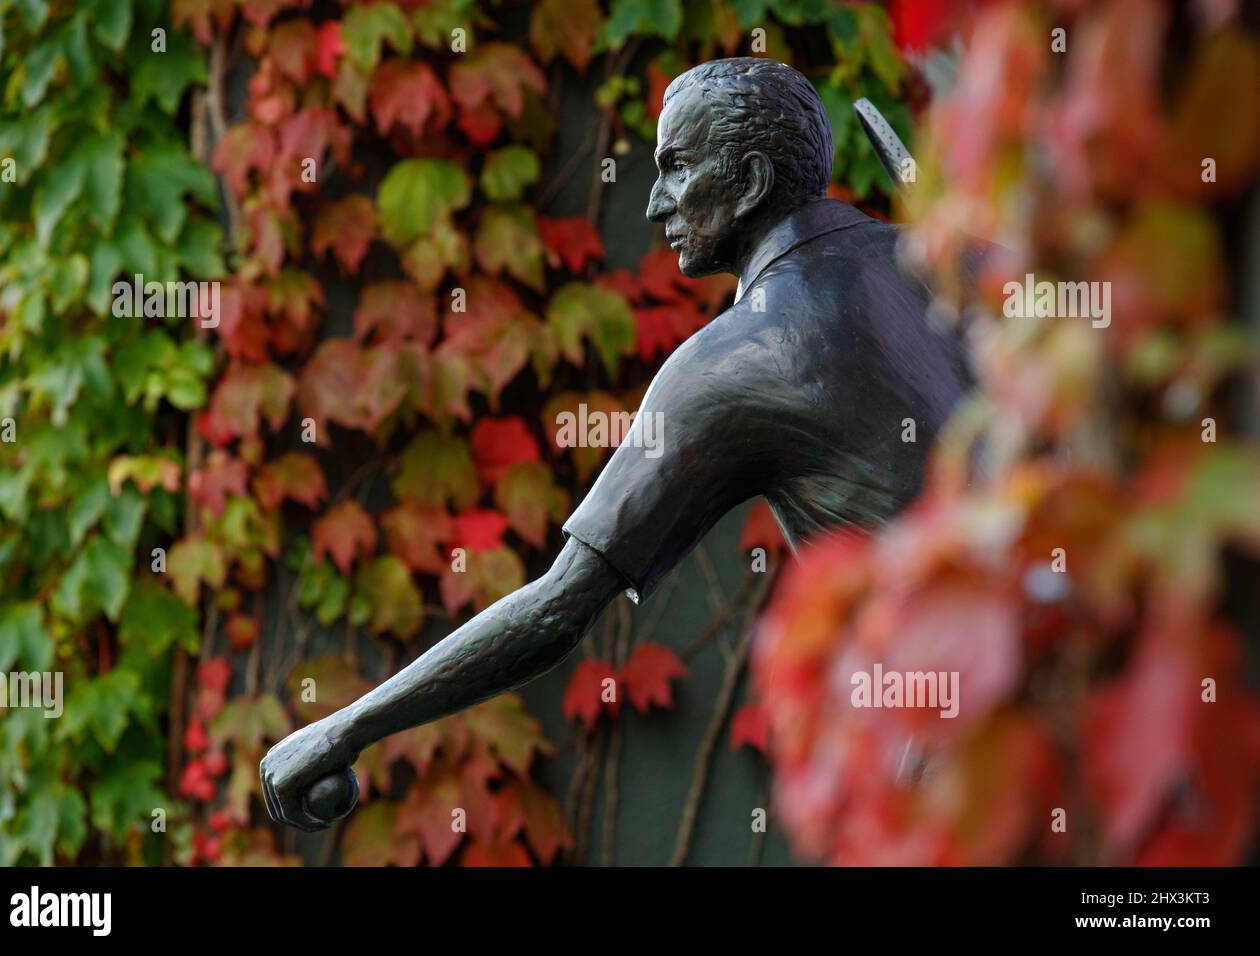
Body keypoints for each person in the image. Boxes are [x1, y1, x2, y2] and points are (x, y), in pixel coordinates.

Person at [260, 58, 972, 831]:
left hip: (950, 768)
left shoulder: (735, 361)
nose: (657, 202)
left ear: (754, 181)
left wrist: (346, 728)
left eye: (677, 169)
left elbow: (556, 610)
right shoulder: (951, 260)